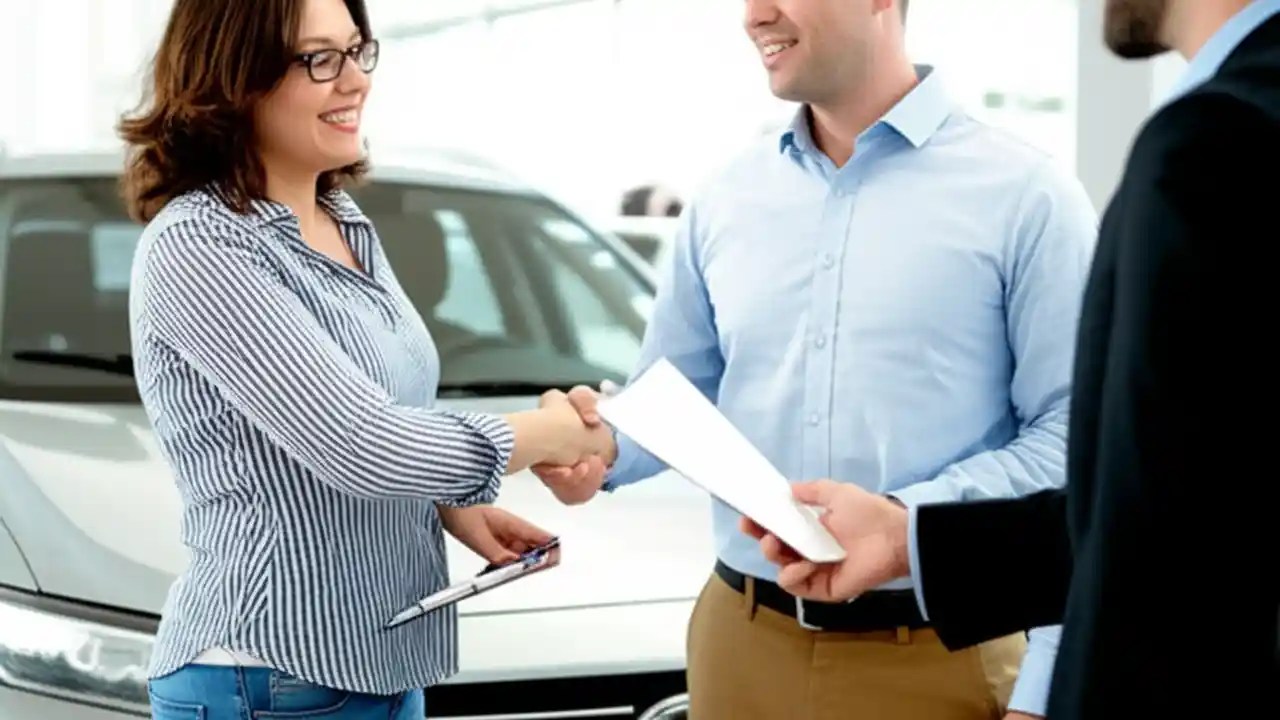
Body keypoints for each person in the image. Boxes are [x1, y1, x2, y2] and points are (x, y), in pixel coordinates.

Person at [535, 0, 1099, 716]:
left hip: (940, 656)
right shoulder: (726, 197)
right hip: (737, 646)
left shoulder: (1028, 196)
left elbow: (1076, 435)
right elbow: (678, 394)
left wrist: (905, 527)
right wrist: (602, 448)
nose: (753, 15)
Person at [744, 0, 1280, 717]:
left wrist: (1048, 686)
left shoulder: (1216, 141)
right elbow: (1225, 494)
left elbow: (1159, 533)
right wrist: (912, 539)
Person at [119, 0, 610, 717]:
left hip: (376, 660)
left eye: (358, 51)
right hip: (267, 675)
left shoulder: (342, 223)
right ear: (235, 78)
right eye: (319, 59)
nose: (355, 81)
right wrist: (552, 434)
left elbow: (381, 408)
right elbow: (361, 444)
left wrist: (454, 506)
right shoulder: (201, 246)